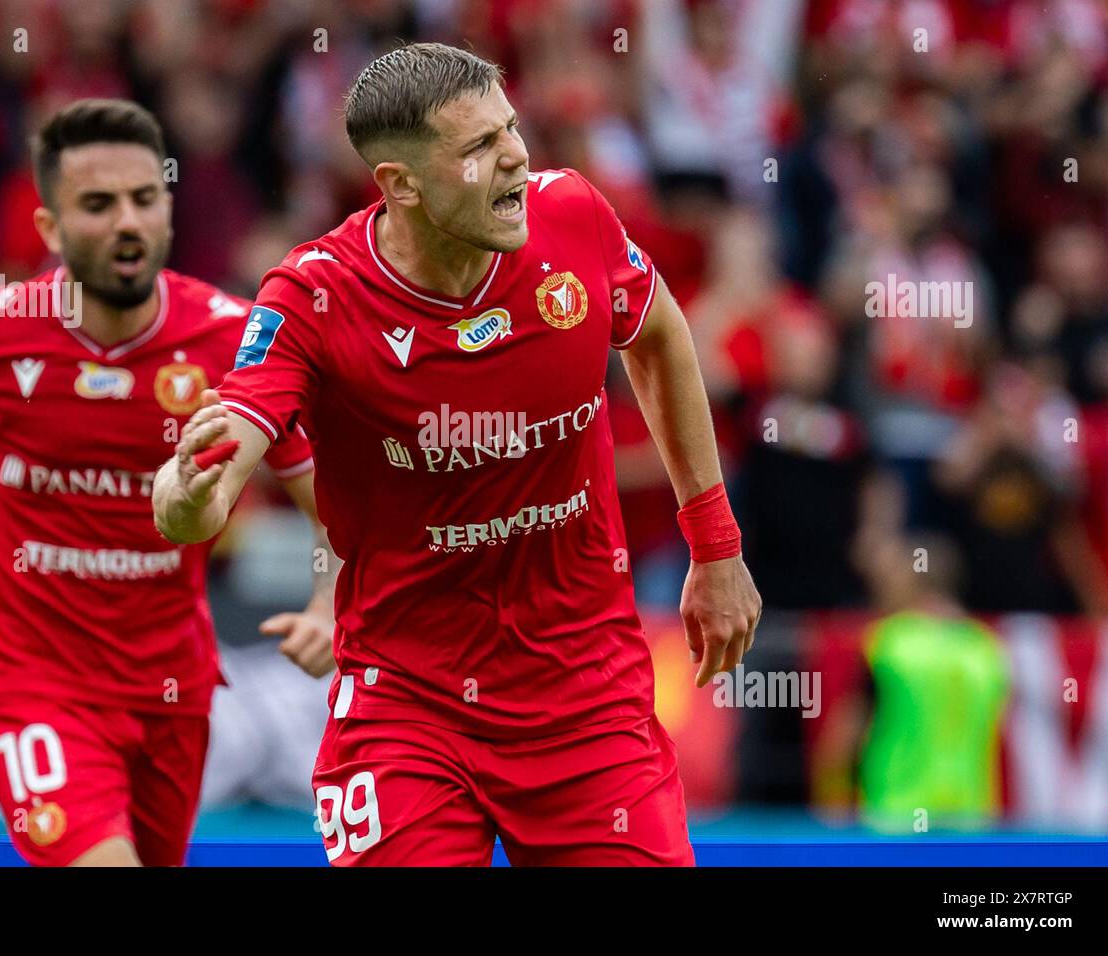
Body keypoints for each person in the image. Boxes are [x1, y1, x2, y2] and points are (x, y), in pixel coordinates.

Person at [153, 43, 761, 866]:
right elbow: (225, 454)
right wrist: (191, 492)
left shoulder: (574, 217)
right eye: (478, 147)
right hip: (407, 714)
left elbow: (657, 336)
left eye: (510, 130)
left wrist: (714, 543)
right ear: (401, 184)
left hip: (587, 702)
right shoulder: (314, 295)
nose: (515, 155)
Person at [0, 99, 336, 867]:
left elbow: (329, 493)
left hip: (170, 689)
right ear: (48, 228)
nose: (128, 222)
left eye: (145, 199)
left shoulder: (233, 338)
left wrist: (328, 601)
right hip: (25, 678)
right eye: (98, 204)